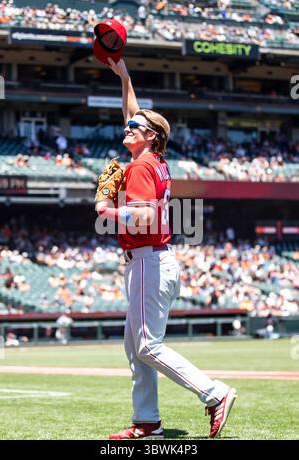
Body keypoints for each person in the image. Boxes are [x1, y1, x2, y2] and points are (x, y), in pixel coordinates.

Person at [96, 58, 237, 440]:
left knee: (145, 345)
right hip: (153, 261)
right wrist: (124, 77)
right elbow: (135, 113)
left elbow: (140, 217)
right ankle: (147, 423)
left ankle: (214, 393)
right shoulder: (153, 160)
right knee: (135, 347)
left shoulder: (141, 168)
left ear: (150, 136)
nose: (126, 127)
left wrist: (107, 210)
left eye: (133, 128)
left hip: (147, 261)